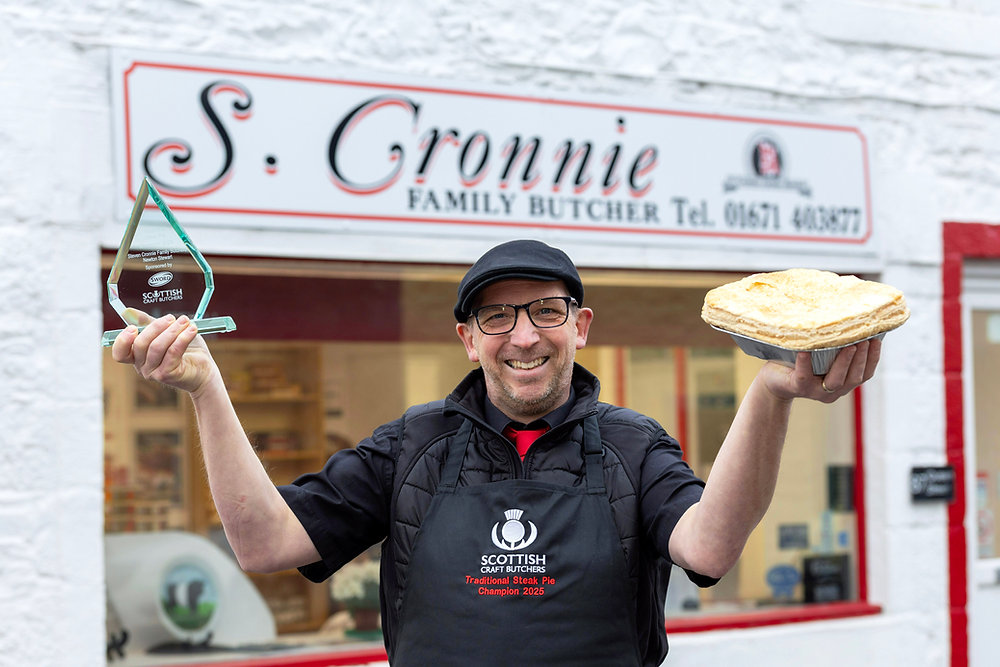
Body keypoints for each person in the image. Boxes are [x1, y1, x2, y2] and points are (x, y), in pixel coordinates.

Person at [112, 239, 880, 666]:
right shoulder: (412, 444)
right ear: (468, 337)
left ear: (579, 326)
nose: (523, 336)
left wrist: (768, 396)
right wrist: (207, 390)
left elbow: (709, 543)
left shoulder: (630, 444)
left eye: (545, 311)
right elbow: (264, 541)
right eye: (498, 316)